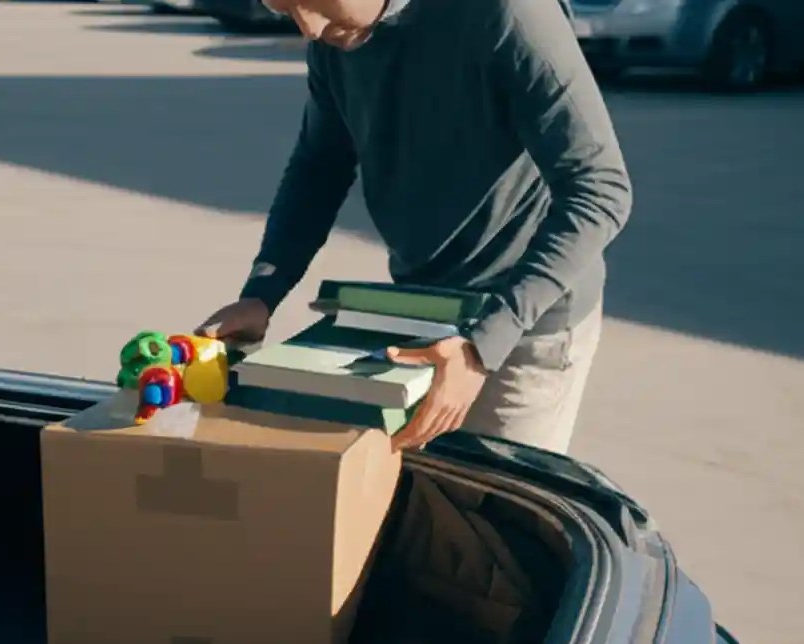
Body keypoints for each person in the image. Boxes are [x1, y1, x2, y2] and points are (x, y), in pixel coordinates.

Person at [197, 0, 632, 456]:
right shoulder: (334, 35)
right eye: (282, 5)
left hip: (526, 322)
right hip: (424, 312)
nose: (308, 27)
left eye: (314, 0)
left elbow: (601, 191)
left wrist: (482, 347)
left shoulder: (506, 13)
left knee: (499, 513)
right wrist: (262, 294)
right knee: (426, 508)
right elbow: (319, 166)